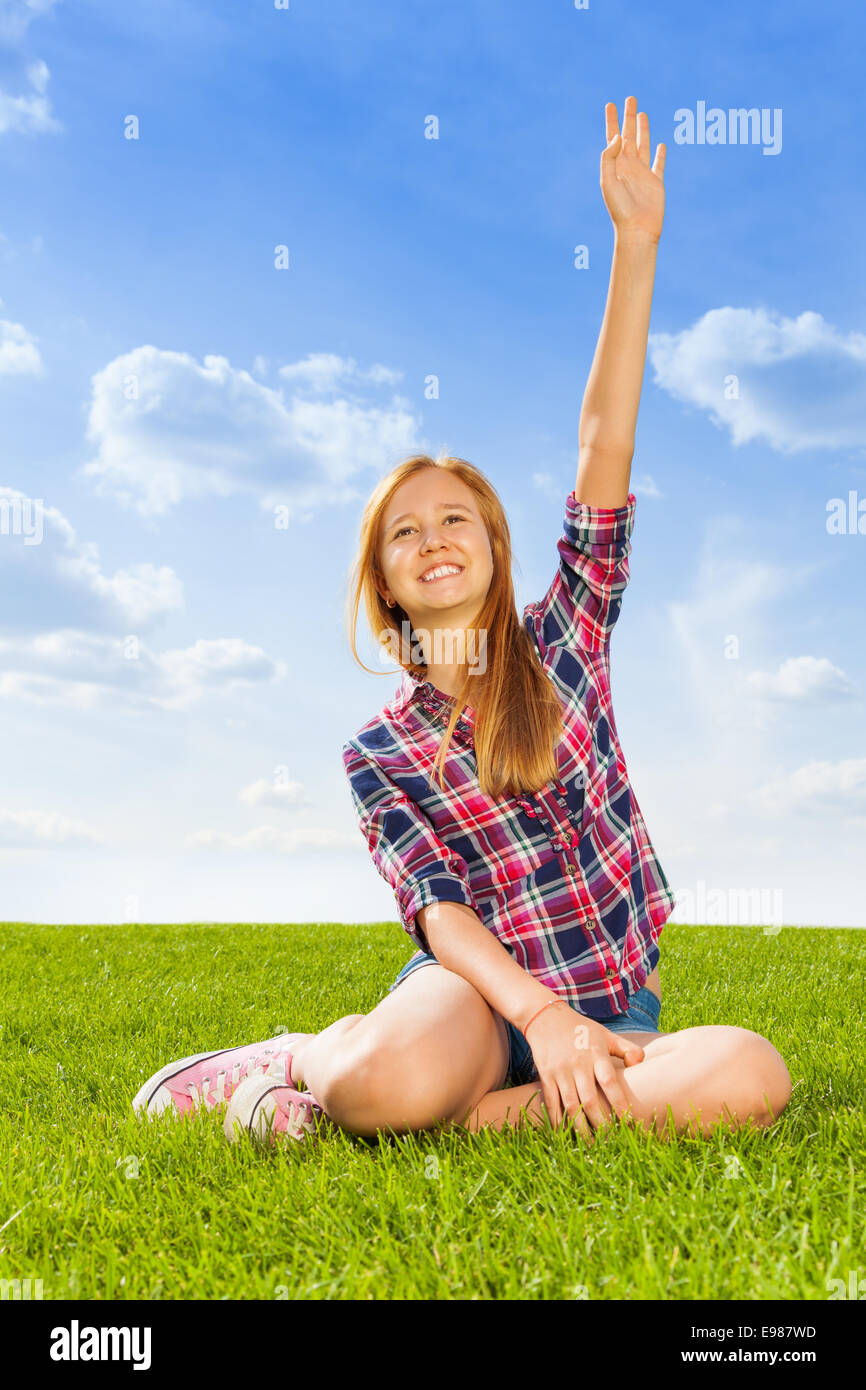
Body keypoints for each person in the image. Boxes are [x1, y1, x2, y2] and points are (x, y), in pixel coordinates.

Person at [132, 97, 792, 1151]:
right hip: (472, 1004)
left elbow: (599, 450)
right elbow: (438, 911)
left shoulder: (568, 638)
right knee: (388, 1073)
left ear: (493, 545)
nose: (433, 537)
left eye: (455, 517)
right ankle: (307, 1056)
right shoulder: (378, 752)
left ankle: (426, 1121)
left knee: (748, 1070)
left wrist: (634, 247)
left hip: (614, 1009)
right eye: (404, 531)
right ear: (385, 581)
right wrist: (532, 1013)